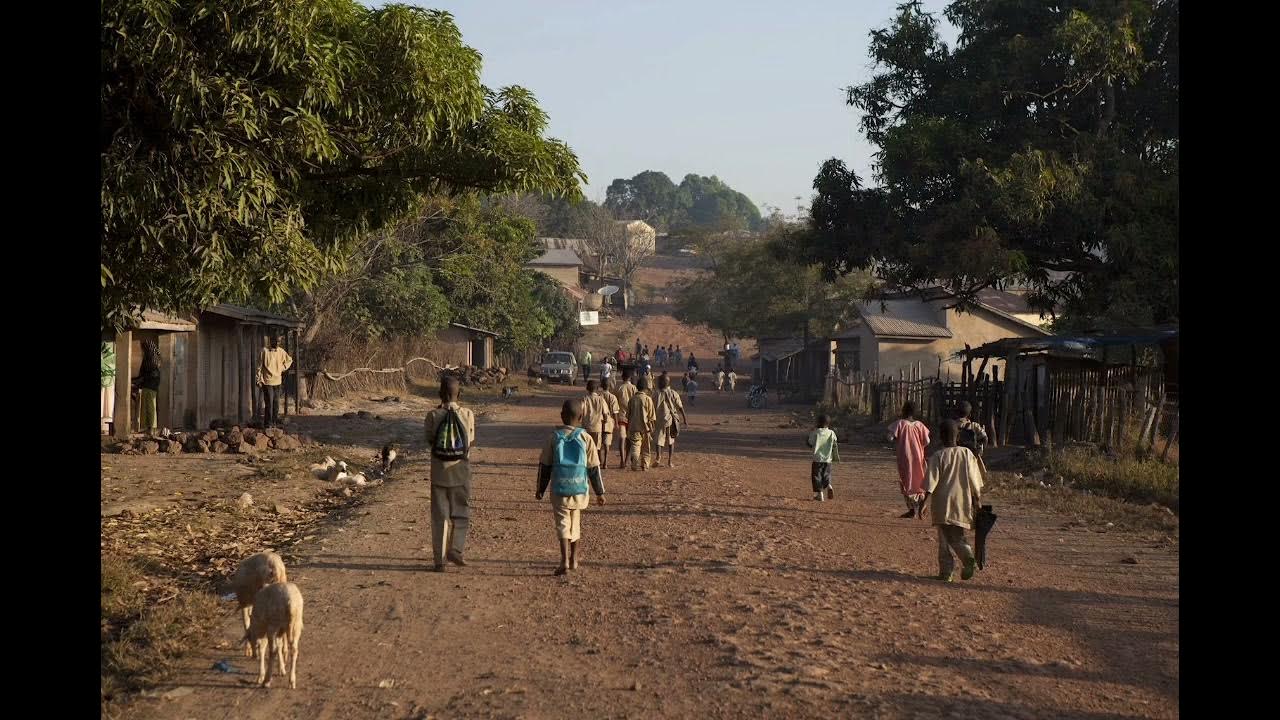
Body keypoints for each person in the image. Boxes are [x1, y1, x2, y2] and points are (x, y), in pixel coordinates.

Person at [536, 398, 606, 575]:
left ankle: (564, 560)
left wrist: (540, 489)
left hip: (559, 489)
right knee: (575, 523)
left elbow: (545, 466)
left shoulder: (553, 438)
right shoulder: (586, 438)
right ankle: (574, 558)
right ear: (581, 417)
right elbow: (594, 468)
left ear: (561, 416)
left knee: (562, 524)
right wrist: (599, 492)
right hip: (580, 490)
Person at [423, 376, 477, 571]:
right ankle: (456, 549)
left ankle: (439, 561)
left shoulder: (432, 415)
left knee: (440, 516)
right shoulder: (468, 414)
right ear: (459, 394)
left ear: (440, 394)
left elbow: (430, 440)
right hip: (460, 472)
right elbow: (470, 441)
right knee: (461, 513)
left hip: (439, 473)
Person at [923, 419, 984, 582]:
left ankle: (952, 568)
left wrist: (922, 503)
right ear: (958, 436)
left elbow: (930, 483)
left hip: (942, 504)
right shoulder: (967, 454)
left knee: (944, 537)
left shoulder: (938, 456)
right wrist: (977, 500)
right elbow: (974, 481)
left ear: (941, 436)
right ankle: (962, 559)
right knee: (958, 534)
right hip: (962, 502)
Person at [888, 401, 931, 518]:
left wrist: (897, 438)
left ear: (904, 410)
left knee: (906, 482)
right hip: (918, 457)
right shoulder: (920, 425)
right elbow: (927, 441)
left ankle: (912, 509)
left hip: (905, 458)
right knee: (919, 480)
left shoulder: (900, 424)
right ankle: (921, 502)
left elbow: (890, 438)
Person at [256, 334, 293, 428]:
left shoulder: (281, 351)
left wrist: (282, 368)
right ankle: (268, 424)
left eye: (279, 341)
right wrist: (258, 379)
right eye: (275, 341)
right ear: (271, 341)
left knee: (276, 403)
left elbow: (289, 360)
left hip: (277, 381)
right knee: (269, 403)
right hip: (267, 381)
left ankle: (274, 422)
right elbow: (259, 366)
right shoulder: (264, 351)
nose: (277, 343)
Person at [652, 374, 688, 468]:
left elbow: (651, 407)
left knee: (658, 440)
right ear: (668, 383)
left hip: (659, 420)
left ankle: (658, 457)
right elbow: (680, 407)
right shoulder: (673, 393)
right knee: (671, 441)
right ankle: (670, 461)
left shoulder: (655, 394)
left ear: (660, 383)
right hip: (670, 420)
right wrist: (684, 419)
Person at [807, 414, 841, 501]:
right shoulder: (831, 432)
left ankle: (819, 494)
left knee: (816, 476)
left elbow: (810, 443)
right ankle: (829, 485)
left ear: (818, 423)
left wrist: (809, 435)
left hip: (817, 459)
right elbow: (835, 442)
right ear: (828, 423)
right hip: (828, 459)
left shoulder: (816, 432)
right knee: (826, 475)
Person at [626, 375, 657, 471]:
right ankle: (645, 465)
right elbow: (651, 416)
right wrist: (652, 427)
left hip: (634, 427)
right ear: (646, 388)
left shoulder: (632, 399)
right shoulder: (648, 399)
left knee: (635, 445)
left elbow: (628, 414)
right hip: (646, 427)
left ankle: (634, 461)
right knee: (646, 448)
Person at [133, 339, 162, 434]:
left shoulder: (153, 360)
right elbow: (143, 374)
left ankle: (151, 428)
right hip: (146, 387)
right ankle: (146, 427)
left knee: (150, 408)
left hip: (151, 387)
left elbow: (150, 375)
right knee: (145, 408)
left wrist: (139, 381)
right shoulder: (148, 359)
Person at [612, 368, 639, 467]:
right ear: (630, 378)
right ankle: (626, 459)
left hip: (621, 416)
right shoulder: (634, 388)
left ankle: (622, 460)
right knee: (629, 439)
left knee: (622, 438)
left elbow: (614, 404)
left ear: (622, 377)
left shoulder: (618, 388)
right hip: (632, 417)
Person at [579, 379, 609, 462]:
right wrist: (605, 421)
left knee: (586, 446)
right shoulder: (601, 399)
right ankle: (597, 462)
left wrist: (579, 420)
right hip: (597, 427)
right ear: (598, 388)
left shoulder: (584, 399)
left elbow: (580, 411)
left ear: (587, 388)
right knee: (597, 447)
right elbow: (605, 413)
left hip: (586, 427)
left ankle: (587, 461)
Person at [597, 378, 622, 469]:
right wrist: (616, 423)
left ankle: (600, 460)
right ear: (610, 386)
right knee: (607, 442)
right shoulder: (612, 397)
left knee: (599, 442)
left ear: (601, 385)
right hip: (609, 422)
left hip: (599, 422)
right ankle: (605, 462)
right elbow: (615, 412)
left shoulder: (598, 396)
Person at [101, 340, 116, 435]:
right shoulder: (112, 357)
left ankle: (107, 428)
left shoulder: (112, 357)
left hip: (108, 382)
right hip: (107, 382)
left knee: (108, 405)